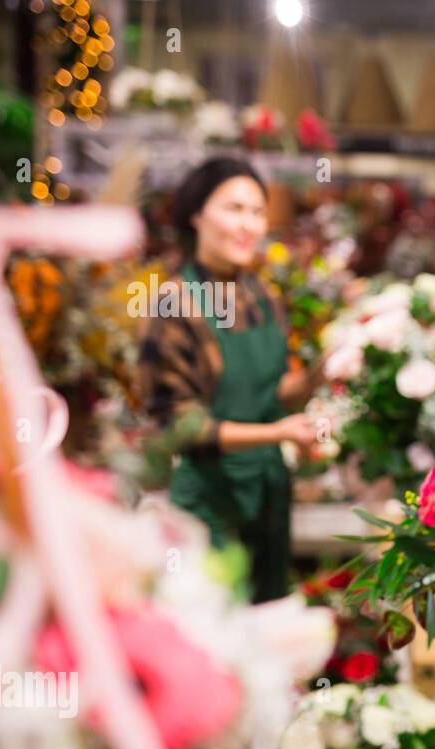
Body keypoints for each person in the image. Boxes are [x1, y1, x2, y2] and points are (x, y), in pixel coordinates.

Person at [137, 157, 324, 602]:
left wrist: (327, 368)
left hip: (268, 497)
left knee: (270, 639)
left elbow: (273, 388)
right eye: (234, 209)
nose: (249, 224)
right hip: (209, 507)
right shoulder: (173, 303)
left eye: (258, 212)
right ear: (197, 214)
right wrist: (277, 432)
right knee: (212, 637)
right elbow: (180, 426)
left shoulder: (263, 296)